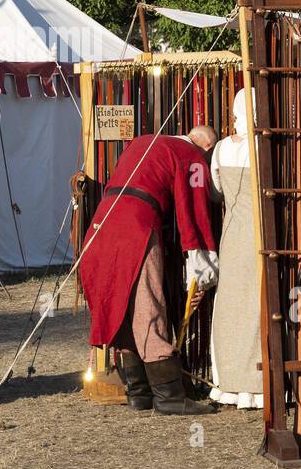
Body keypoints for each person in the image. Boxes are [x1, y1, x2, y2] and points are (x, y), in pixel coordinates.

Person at [80, 126, 219, 415]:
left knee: (124, 306)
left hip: (102, 223)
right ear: (206, 148)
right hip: (136, 226)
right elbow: (193, 213)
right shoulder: (191, 155)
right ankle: (168, 396)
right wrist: (202, 272)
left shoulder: (142, 142)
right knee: (148, 304)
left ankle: (139, 391)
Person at [208, 90, 264, 409]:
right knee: (254, 307)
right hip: (258, 234)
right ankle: (254, 385)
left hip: (231, 235)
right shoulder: (263, 144)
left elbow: (216, 192)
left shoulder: (219, 149)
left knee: (230, 307)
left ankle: (230, 382)